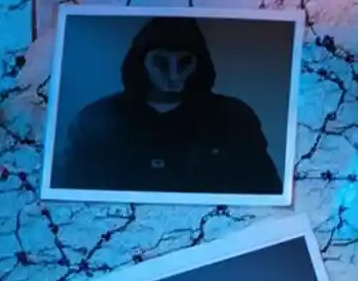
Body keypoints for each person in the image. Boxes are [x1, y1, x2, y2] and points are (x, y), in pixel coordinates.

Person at [55, 16, 283, 195]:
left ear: (199, 64)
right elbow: (71, 191)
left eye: (184, 62)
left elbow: (266, 190)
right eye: (160, 62)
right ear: (140, 63)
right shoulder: (96, 120)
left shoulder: (233, 118)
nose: (173, 74)